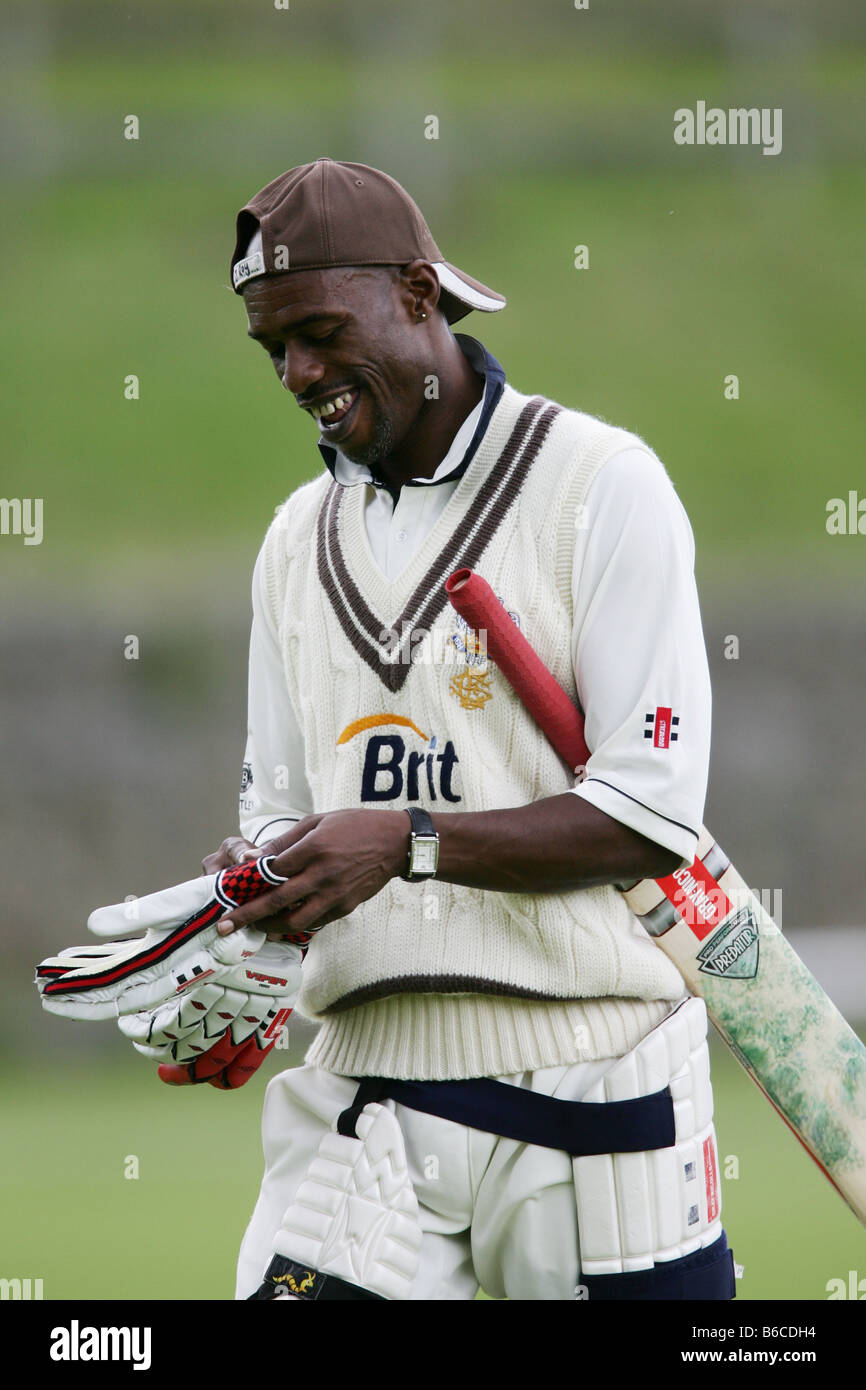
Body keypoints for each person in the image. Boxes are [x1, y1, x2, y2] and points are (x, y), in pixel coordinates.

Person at [201, 157, 734, 1301]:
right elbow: (287, 823)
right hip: (372, 1100)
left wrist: (406, 838)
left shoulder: (599, 486)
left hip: (598, 1091)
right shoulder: (293, 541)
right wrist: (234, 925)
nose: (296, 373)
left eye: (317, 332)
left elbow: (649, 814)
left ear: (414, 292)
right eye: (271, 348)